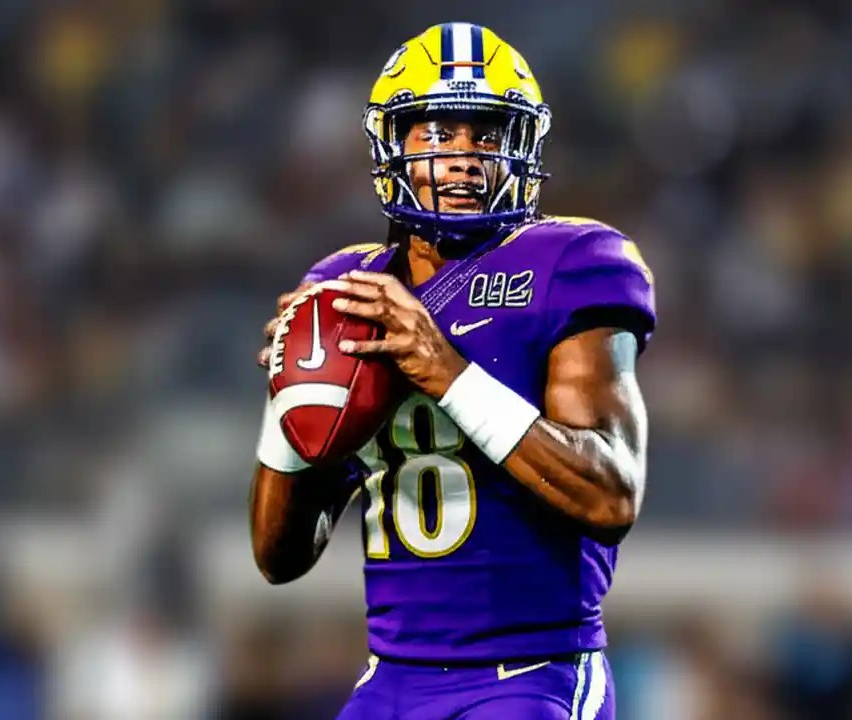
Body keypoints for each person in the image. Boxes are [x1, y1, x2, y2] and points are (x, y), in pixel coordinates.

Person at [249, 22, 656, 719]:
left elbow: (610, 496)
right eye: (438, 134)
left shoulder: (574, 262)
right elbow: (278, 557)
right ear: (392, 145)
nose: (465, 158)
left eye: (487, 135)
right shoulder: (343, 285)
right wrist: (293, 406)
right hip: (390, 680)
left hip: (532, 673)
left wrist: (448, 371)